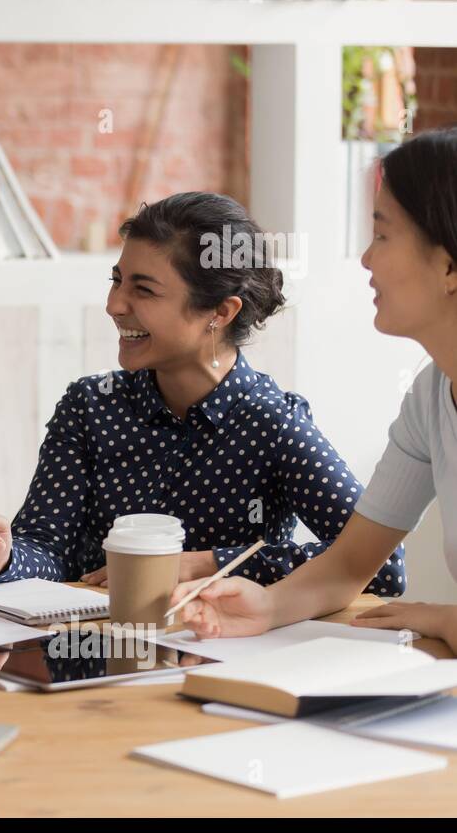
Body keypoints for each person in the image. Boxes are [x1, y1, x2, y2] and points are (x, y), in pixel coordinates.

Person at [0, 192, 405, 598]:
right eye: (116, 280)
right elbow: (47, 552)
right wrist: (2, 560)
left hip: (224, 659)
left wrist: (211, 563)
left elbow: (381, 565)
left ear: (220, 312)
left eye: (143, 289)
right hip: (90, 662)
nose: (114, 305)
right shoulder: (89, 406)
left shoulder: (272, 423)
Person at [173, 129, 457, 646]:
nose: (365, 260)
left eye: (384, 235)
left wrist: (448, 619)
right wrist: (265, 606)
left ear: (449, 265)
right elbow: (350, 564)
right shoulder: (431, 395)